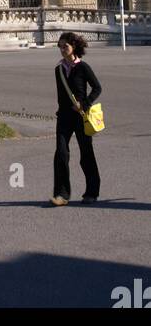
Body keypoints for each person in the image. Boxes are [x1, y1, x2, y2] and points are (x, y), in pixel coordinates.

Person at [51, 32, 102, 206]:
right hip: (64, 117)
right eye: (60, 46)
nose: (62, 50)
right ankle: (61, 194)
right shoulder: (58, 69)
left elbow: (97, 88)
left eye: (65, 46)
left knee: (86, 154)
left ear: (74, 47)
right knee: (61, 154)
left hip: (81, 116)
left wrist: (85, 104)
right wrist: (61, 111)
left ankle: (91, 192)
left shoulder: (83, 67)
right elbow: (60, 95)